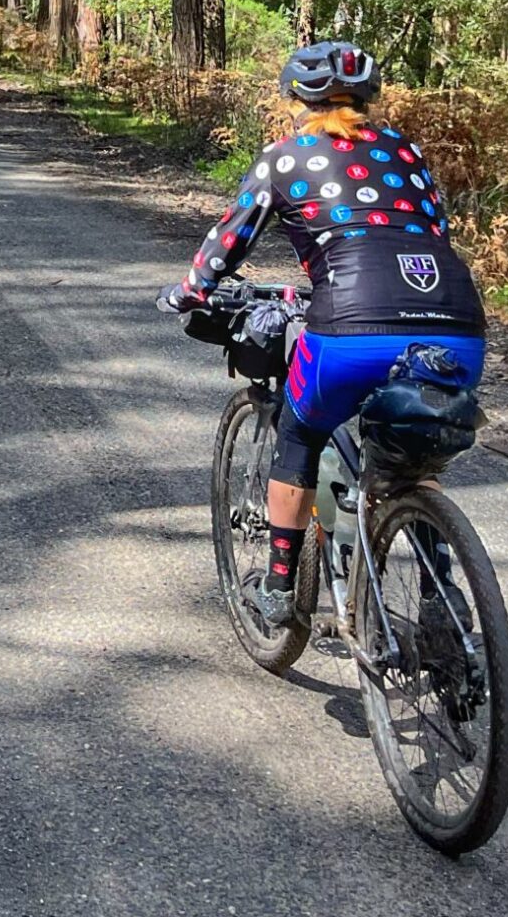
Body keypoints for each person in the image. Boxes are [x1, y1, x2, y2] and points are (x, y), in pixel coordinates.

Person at [158, 41, 487, 629]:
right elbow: (427, 230)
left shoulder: (287, 157)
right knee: (410, 451)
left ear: (296, 100)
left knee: (301, 433)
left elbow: (228, 242)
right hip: (456, 322)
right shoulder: (406, 152)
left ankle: (281, 588)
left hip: (351, 326)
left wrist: (189, 291)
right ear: (367, 99)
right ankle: (444, 597)